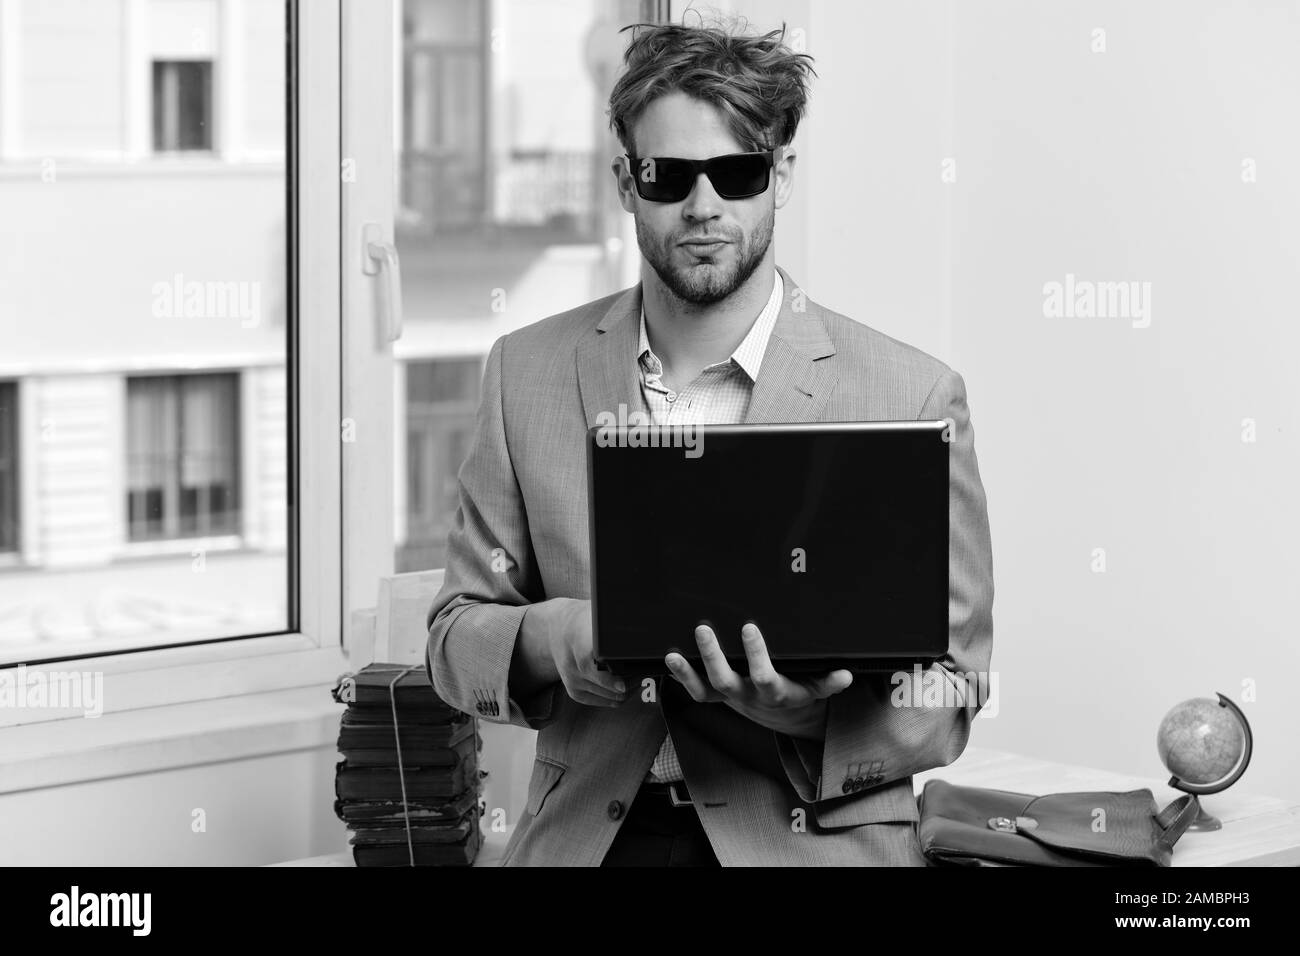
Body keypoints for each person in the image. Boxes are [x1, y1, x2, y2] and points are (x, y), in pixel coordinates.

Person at [426, 20, 994, 866]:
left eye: (737, 173)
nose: (704, 208)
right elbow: (451, 635)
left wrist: (807, 716)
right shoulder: (526, 374)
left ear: (781, 176)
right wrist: (555, 638)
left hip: (806, 840)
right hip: (590, 842)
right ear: (627, 182)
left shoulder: (911, 393)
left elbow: (954, 686)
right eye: (669, 177)